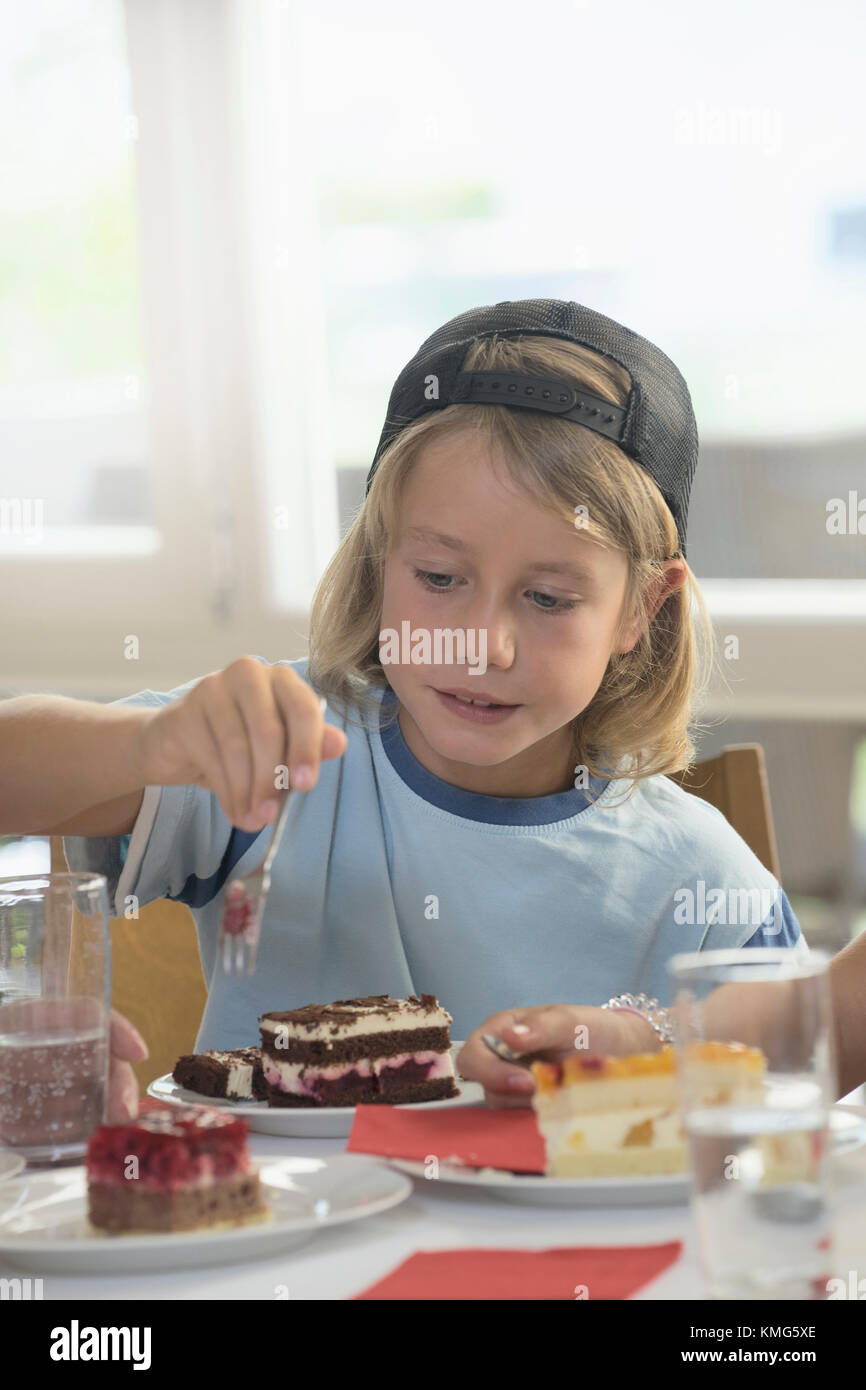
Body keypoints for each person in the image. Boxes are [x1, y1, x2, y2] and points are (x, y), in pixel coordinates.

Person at [0, 299, 809, 1121]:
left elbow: (801, 1088)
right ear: (380, 556)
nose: (481, 646)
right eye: (439, 578)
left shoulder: (698, 874)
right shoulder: (284, 754)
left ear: (641, 608)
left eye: (547, 597)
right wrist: (152, 743)